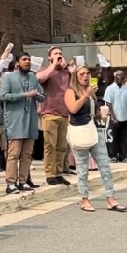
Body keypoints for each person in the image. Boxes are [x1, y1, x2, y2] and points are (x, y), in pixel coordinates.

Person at [63, 66, 127, 212]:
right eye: (82, 74)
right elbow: (72, 109)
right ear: (76, 76)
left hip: (93, 129)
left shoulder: (91, 92)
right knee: (83, 168)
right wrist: (85, 95)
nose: (85, 76)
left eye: (87, 73)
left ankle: (110, 198)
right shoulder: (71, 91)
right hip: (79, 131)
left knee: (105, 165)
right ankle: (84, 199)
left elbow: (92, 112)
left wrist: (101, 115)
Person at [0, 52, 45, 195]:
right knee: (14, 153)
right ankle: (10, 183)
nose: (27, 62)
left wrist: (36, 95)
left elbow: (43, 96)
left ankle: (23, 181)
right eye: (24, 59)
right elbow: (3, 96)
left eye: (29, 59)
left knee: (27, 154)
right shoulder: (9, 77)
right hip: (15, 120)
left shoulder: (33, 77)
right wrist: (24, 95)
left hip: (30, 120)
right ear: (17, 62)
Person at [36, 46, 72, 186]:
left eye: (60, 54)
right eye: (55, 54)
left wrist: (68, 68)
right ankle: (50, 173)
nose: (59, 56)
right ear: (49, 57)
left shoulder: (66, 73)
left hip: (64, 113)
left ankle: (59, 172)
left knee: (62, 146)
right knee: (50, 145)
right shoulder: (45, 70)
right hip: (49, 113)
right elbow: (40, 78)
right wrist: (53, 65)